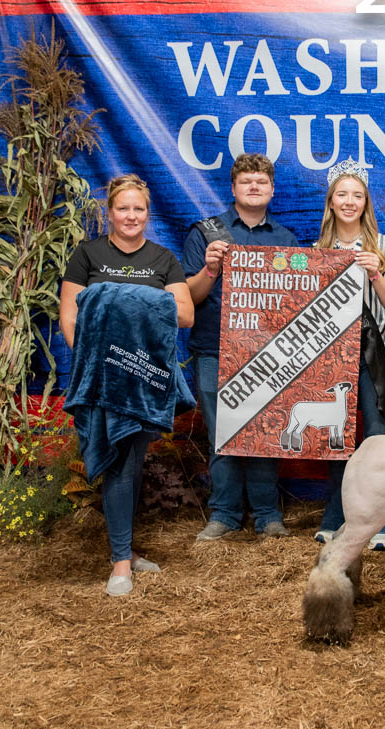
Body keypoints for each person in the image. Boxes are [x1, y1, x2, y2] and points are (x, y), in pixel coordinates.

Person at [59, 174, 195, 596]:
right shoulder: (88, 255)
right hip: (103, 377)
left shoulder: (163, 259)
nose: (131, 216)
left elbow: (185, 314)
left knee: (132, 463)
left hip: (145, 380)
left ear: (147, 215)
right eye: (123, 208)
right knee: (117, 462)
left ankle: (126, 548)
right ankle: (121, 563)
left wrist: (119, 298)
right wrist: (90, 363)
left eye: (139, 209)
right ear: (110, 212)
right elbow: (69, 316)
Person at [181, 154, 300, 542]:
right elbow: (190, 299)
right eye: (246, 181)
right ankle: (225, 513)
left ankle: (267, 514)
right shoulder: (205, 234)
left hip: (269, 353)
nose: (253, 187)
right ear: (233, 188)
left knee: (267, 430)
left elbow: (298, 301)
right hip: (215, 348)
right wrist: (209, 269)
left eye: (261, 182)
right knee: (222, 431)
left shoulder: (285, 241)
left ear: (272, 190)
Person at [315, 159, 385, 551]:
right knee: (335, 435)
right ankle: (336, 515)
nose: (350, 201)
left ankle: (381, 521)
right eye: (343, 194)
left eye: (357, 195)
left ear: (366, 201)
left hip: (376, 355)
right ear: (331, 202)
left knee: (376, 436)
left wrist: (376, 273)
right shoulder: (317, 251)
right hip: (332, 355)